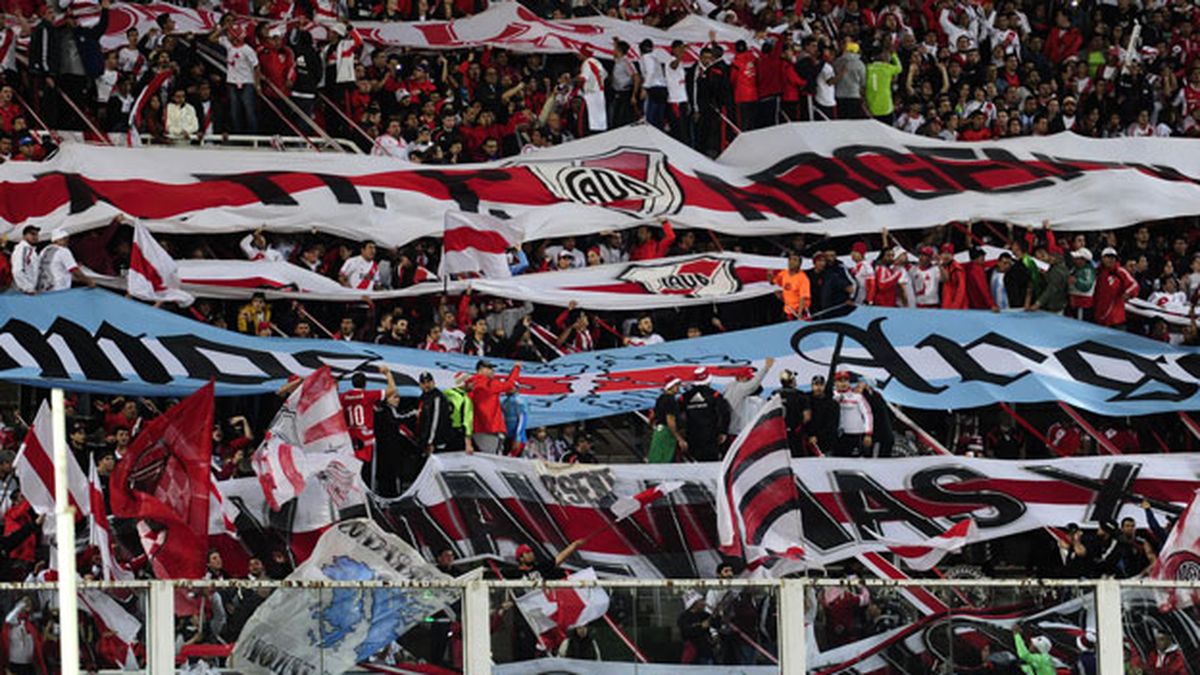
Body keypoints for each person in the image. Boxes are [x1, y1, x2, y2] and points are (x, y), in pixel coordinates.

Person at [339, 365, 396, 464]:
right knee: (366, 468)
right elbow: (392, 390)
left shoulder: (343, 397)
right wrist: (388, 374)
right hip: (366, 439)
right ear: (365, 384)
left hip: (351, 438)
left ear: (352, 383)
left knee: (350, 466)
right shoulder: (368, 396)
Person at [468, 359, 521, 454]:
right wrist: (517, 368)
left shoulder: (470, 384)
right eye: (489, 368)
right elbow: (509, 385)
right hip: (491, 430)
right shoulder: (488, 384)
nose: (493, 371)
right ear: (481, 369)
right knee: (491, 459)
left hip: (476, 429)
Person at [681, 368, 729, 461]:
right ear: (708, 380)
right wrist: (723, 431)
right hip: (710, 435)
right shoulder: (715, 395)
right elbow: (724, 414)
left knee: (694, 462)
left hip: (691, 434)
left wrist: (681, 431)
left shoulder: (685, 397)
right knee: (709, 462)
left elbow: (678, 414)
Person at [723, 358, 775, 435]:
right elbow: (754, 384)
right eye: (748, 378)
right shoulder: (740, 388)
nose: (748, 381)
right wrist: (766, 368)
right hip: (734, 431)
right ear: (741, 378)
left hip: (727, 428)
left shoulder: (730, 387)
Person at [1093, 247, 1138, 329]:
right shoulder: (1097, 272)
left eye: (1113, 257)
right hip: (1099, 315)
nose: (1111, 259)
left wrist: (1128, 293)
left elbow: (1134, 285)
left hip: (1115, 319)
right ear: (1102, 258)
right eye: (1108, 257)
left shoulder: (1120, 271)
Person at [832, 371, 872, 457]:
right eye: (840, 380)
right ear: (835, 382)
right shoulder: (831, 396)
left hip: (855, 435)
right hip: (837, 435)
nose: (843, 383)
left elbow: (867, 414)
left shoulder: (857, 396)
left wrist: (868, 433)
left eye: (846, 380)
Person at [648, 379, 685, 463]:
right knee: (665, 459)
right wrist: (679, 438)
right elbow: (670, 421)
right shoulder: (671, 400)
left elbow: (652, 415)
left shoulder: (660, 398)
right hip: (667, 433)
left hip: (658, 431)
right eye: (676, 385)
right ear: (670, 386)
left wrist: (651, 425)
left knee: (655, 458)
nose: (678, 387)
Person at [417, 372, 453, 456]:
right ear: (420, 385)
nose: (426, 385)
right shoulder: (423, 397)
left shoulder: (437, 397)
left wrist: (431, 442)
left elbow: (435, 421)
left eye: (428, 382)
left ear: (433, 382)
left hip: (436, 442)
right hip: (426, 440)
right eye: (423, 383)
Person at [864, 47, 902, 123]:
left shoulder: (867, 68)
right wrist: (894, 55)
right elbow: (899, 68)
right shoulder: (887, 67)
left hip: (871, 107)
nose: (888, 56)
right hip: (886, 108)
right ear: (881, 55)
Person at [678, 591, 717, 665]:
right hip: (692, 653)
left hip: (706, 653)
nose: (704, 603)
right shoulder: (684, 617)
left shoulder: (704, 615)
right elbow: (687, 632)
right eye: (701, 601)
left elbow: (717, 624)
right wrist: (701, 627)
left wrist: (716, 614)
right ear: (694, 603)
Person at [772, 251, 811, 319]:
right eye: (790, 259)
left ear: (799, 264)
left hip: (799, 312)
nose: (792, 262)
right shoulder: (784, 273)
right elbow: (774, 283)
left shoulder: (803, 278)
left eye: (795, 260)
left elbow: (803, 298)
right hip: (787, 311)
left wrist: (799, 314)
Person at [10, 226, 39, 294]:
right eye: (32, 234)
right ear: (24, 236)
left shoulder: (31, 250)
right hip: (23, 291)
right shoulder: (22, 249)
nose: (35, 237)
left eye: (37, 234)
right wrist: (27, 288)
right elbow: (17, 271)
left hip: (29, 290)